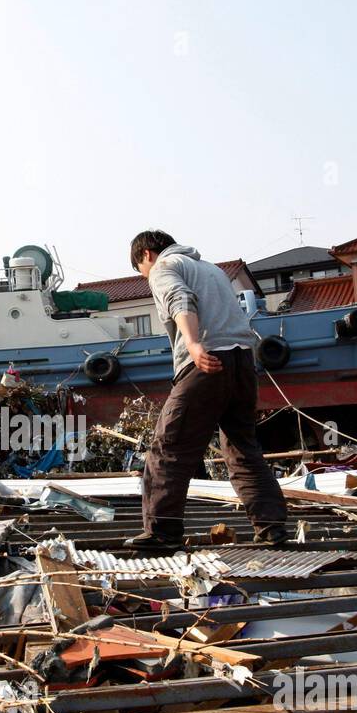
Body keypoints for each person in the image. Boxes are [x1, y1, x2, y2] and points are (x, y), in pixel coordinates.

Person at [124, 230, 288, 551]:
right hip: (243, 362)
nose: (145, 276)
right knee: (243, 449)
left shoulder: (164, 266)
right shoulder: (212, 269)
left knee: (169, 446)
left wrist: (194, 343)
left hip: (206, 361)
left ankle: (162, 532)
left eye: (140, 270)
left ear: (146, 255)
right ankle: (272, 527)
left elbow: (180, 299)